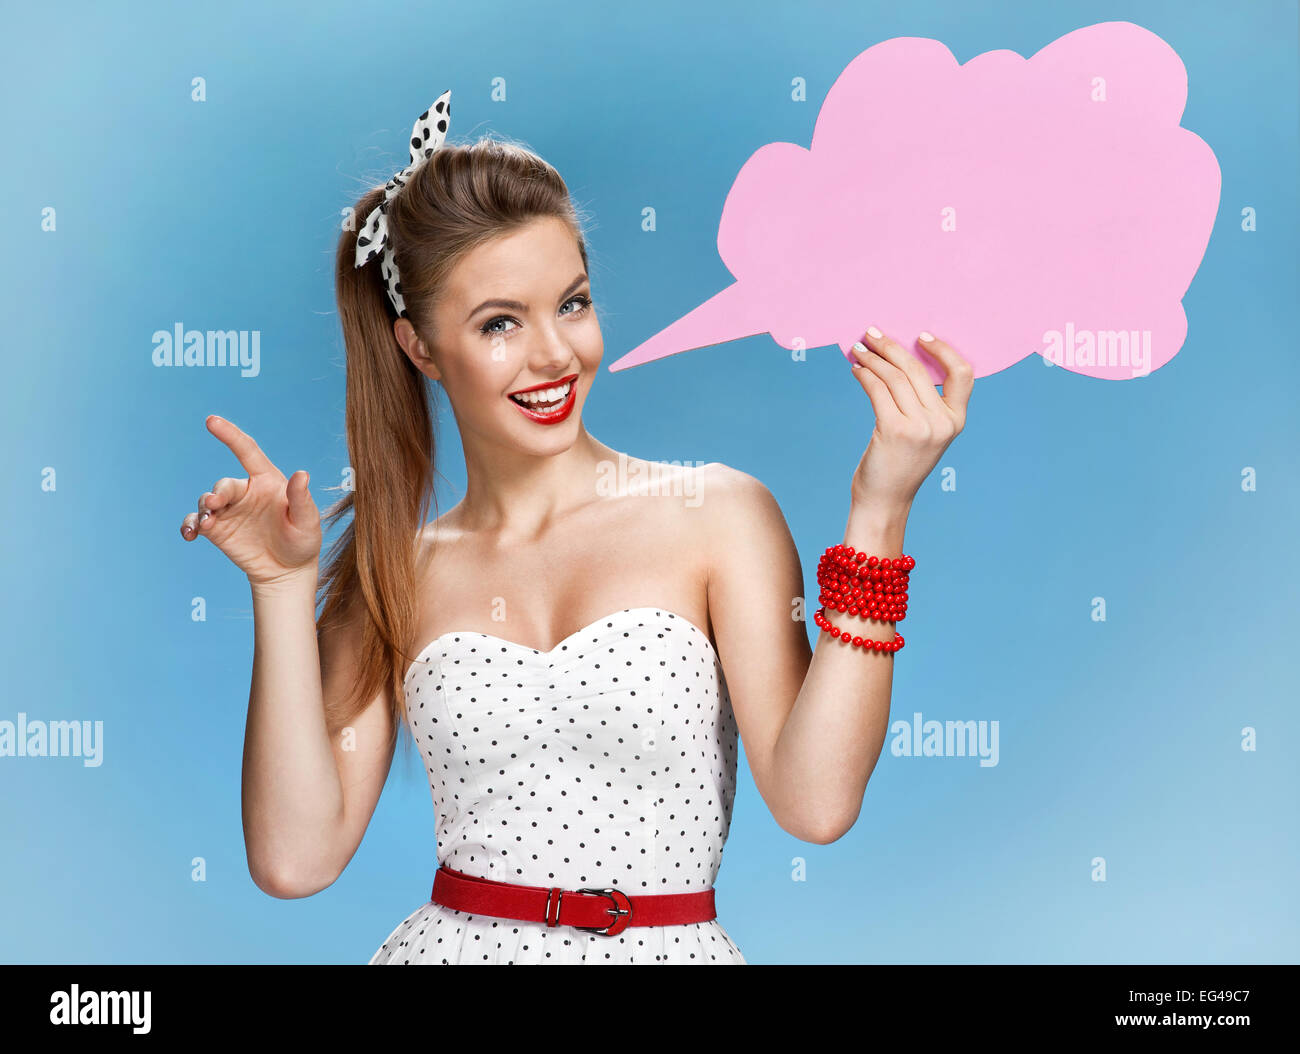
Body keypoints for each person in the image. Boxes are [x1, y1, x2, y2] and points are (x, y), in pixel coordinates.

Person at [178, 92, 973, 964]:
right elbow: (295, 858)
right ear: (419, 349)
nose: (555, 353)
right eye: (500, 324)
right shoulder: (395, 574)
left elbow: (816, 803)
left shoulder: (720, 515)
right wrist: (282, 588)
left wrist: (880, 507)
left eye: (573, 302)